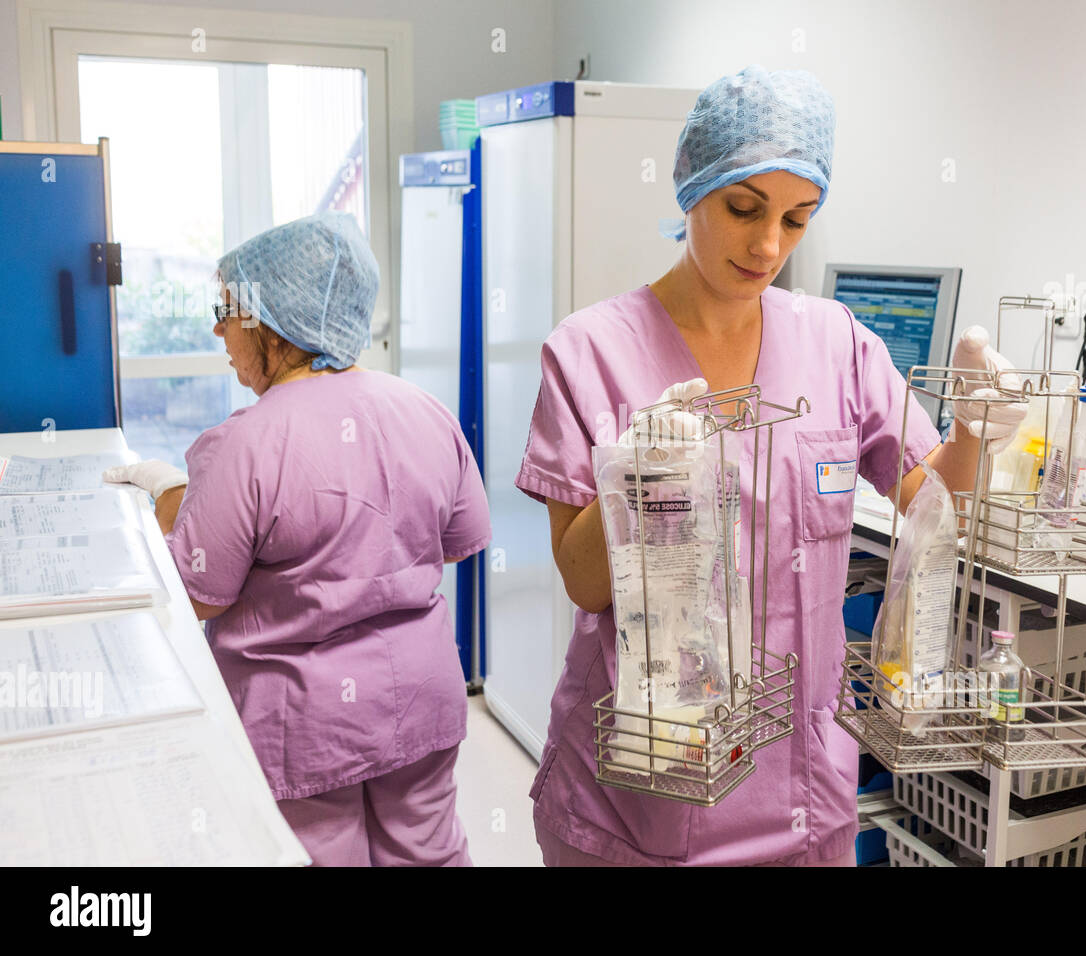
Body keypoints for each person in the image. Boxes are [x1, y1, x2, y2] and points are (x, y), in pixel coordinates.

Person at [515, 65, 1026, 866]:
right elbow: (584, 583)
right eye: (743, 210)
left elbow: (933, 506)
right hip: (643, 788)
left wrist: (974, 432)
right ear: (693, 190)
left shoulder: (838, 344)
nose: (768, 245)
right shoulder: (590, 352)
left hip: (801, 793)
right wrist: (644, 481)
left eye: (797, 219)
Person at [104, 212, 490, 867]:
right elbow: (458, 542)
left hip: (304, 726)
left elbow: (201, 594)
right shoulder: (425, 411)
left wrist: (172, 498)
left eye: (226, 310)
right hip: (420, 702)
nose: (219, 329)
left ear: (272, 323)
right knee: (428, 853)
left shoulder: (246, 443)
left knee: (315, 854)